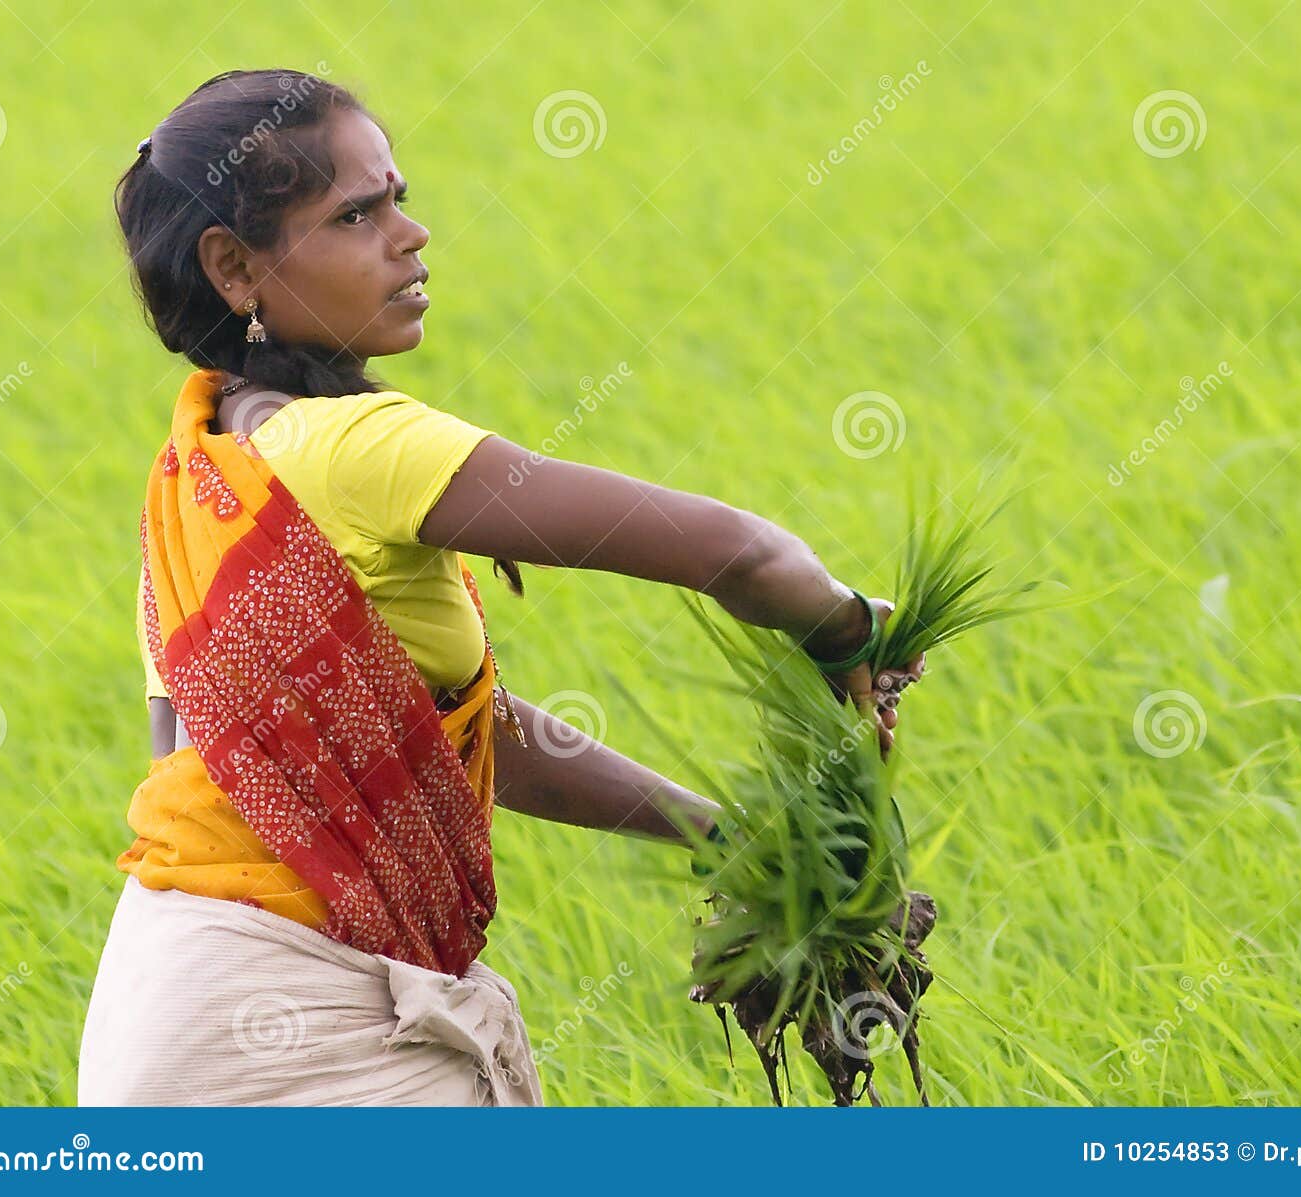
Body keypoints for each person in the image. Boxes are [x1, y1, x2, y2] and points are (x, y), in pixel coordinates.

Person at [77, 68, 924, 1107]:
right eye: (356, 214)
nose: (411, 233)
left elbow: (424, 740)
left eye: (398, 195)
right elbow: (736, 555)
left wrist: (724, 834)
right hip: (299, 1028)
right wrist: (848, 633)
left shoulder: (205, 473)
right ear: (234, 268)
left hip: (172, 998)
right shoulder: (357, 448)